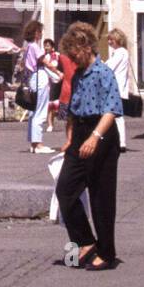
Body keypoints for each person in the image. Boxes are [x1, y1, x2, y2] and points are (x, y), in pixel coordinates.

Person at [56, 21, 123, 271]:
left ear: (85, 46)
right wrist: (70, 138)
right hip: (81, 132)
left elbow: (113, 109)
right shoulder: (78, 75)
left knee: (101, 197)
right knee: (65, 189)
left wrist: (94, 137)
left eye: (74, 52)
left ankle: (106, 253)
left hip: (102, 133)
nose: (73, 58)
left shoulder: (103, 72)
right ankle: (84, 240)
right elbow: (72, 111)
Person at [22, 19, 53, 153]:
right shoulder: (35, 46)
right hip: (39, 77)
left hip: (32, 78)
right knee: (40, 111)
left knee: (33, 111)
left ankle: (34, 144)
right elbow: (45, 61)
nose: (41, 34)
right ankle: (38, 144)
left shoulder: (28, 46)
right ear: (35, 33)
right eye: (40, 31)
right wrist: (58, 72)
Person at [105, 29, 132, 151]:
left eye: (111, 39)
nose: (109, 42)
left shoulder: (120, 52)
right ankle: (120, 141)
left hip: (116, 88)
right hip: (118, 87)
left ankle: (121, 142)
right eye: (109, 39)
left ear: (117, 40)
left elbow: (109, 67)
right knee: (116, 116)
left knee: (115, 116)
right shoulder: (121, 52)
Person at [43, 38, 63, 132]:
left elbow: (62, 66)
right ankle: (50, 124)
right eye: (45, 45)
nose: (46, 47)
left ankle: (53, 121)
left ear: (52, 47)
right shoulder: (44, 57)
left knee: (56, 104)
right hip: (49, 82)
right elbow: (46, 69)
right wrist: (54, 77)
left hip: (59, 82)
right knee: (50, 105)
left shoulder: (58, 55)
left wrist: (60, 76)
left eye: (48, 45)